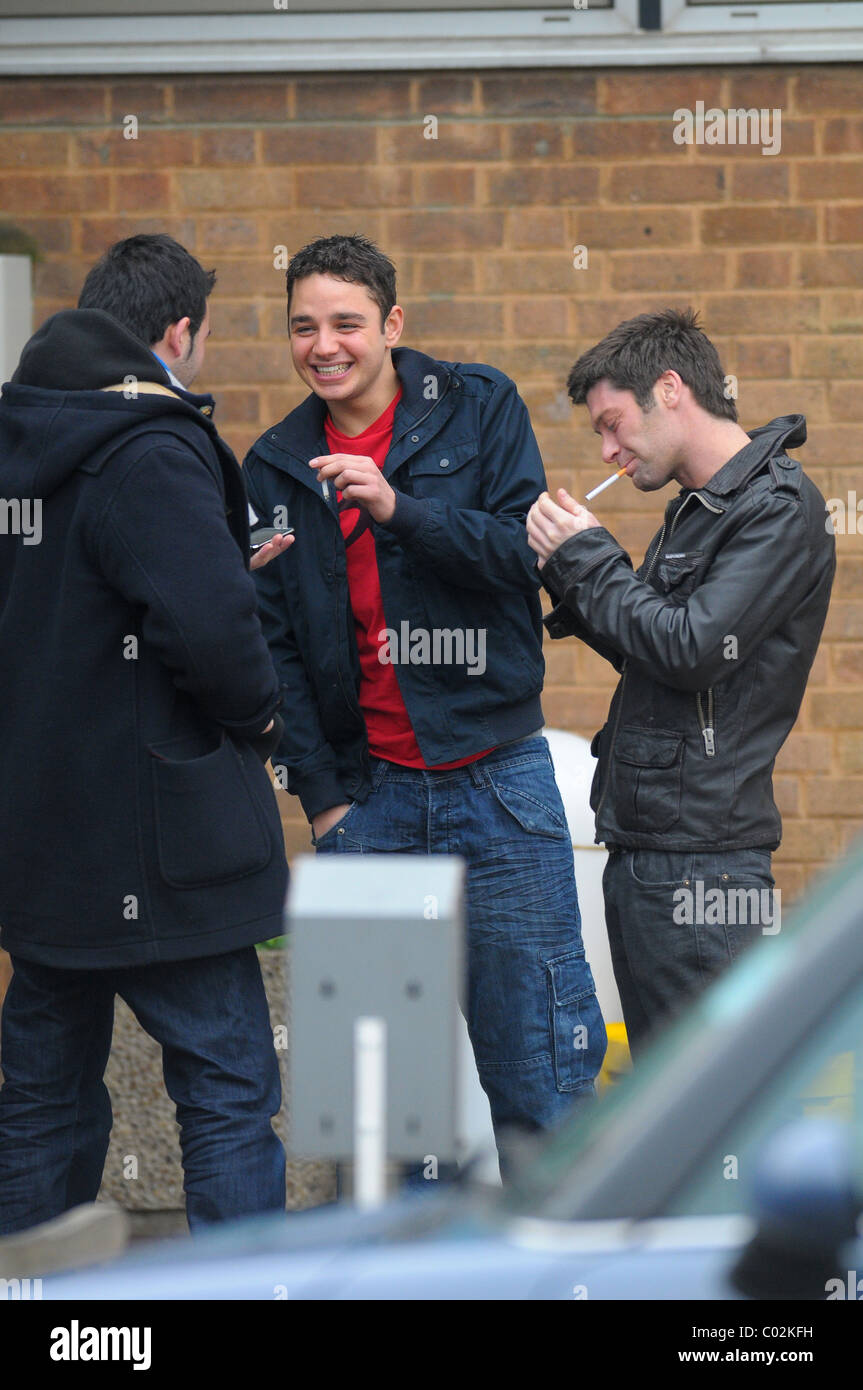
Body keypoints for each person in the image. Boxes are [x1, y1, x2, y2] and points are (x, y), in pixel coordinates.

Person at [244, 233, 606, 1151]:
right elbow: (275, 645)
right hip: (367, 805)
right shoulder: (275, 462)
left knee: (541, 1085)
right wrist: (323, 800)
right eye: (303, 327)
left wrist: (397, 509)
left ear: (391, 324)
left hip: (497, 782)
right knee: (379, 1115)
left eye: (346, 324)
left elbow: (520, 556)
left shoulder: (476, 407)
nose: (323, 345)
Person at [0, 234, 293, 1235]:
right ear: (176, 333)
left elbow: (68, 611)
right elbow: (209, 637)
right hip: (167, 857)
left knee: (39, 1101)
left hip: (41, 847)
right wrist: (258, 715)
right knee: (225, 1094)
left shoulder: (18, 436)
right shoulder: (150, 444)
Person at [527, 307, 835, 1053]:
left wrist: (588, 560)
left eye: (611, 423)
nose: (607, 451)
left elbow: (693, 647)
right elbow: (655, 658)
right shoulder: (697, 510)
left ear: (669, 389)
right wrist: (562, 572)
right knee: (661, 1104)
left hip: (706, 866)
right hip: (647, 850)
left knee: (707, 1122)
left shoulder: (778, 508)